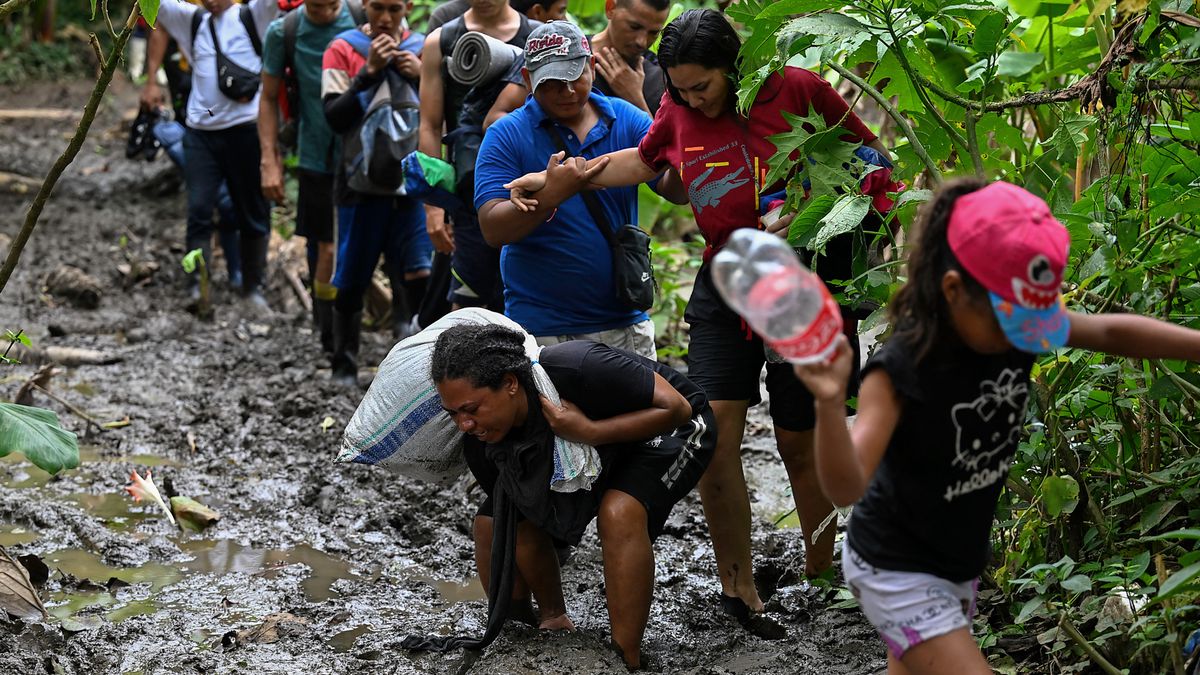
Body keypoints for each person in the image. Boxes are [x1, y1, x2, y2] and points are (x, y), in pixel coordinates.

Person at [504, 8, 890, 632]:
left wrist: (823, 211)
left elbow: (874, 164)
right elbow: (646, 159)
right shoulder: (679, 109)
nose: (689, 101)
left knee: (799, 437)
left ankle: (823, 571)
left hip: (803, 279)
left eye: (701, 88)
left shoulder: (794, 90)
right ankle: (739, 589)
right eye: (678, 91)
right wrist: (561, 183)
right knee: (713, 434)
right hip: (724, 279)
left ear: (733, 68)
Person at [790, 179, 1200, 673]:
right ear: (953, 290)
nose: (1030, 333)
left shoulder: (1018, 320)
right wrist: (830, 404)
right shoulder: (902, 369)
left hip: (955, 562)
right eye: (1017, 320)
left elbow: (1111, 330)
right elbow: (846, 484)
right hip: (895, 569)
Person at [431, 323, 716, 668]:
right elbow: (524, 520)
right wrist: (552, 611)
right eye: (454, 414)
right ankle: (526, 627)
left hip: (669, 428)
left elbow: (678, 408)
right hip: (595, 448)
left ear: (509, 384)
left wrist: (589, 431)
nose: (464, 424)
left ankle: (626, 657)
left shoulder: (576, 365)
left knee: (618, 511)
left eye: (472, 409)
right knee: (493, 522)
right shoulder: (483, 443)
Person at [475, 21, 679, 359]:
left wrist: (687, 150)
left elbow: (675, 191)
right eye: (552, 83)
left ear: (593, 67)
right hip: (540, 327)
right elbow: (493, 228)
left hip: (622, 322)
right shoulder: (506, 135)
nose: (567, 92)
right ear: (527, 80)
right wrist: (551, 195)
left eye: (575, 77)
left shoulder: (627, 120)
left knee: (636, 411)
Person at [321, 0, 433, 386]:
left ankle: (418, 369)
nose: (385, 18)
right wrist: (367, 74)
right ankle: (344, 364)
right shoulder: (343, 48)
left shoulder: (424, 48)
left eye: (394, 9)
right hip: (359, 185)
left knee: (418, 269)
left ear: (408, 8)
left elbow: (446, 112)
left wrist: (421, 75)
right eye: (378, 8)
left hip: (413, 183)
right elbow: (334, 117)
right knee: (352, 272)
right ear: (365, 6)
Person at [140, 0, 280, 308]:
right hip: (201, 134)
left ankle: (252, 287)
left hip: (247, 130)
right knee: (199, 210)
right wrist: (150, 79)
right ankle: (195, 285)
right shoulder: (192, 20)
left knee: (252, 210)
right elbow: (154, 7)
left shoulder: (253, 15)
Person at [418, 0, 541, 312]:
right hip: (468, 189)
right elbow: (430, 125)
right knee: (466, 298)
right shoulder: (441, 41)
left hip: (530, 189)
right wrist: (434, 208)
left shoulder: (537, 37)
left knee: (522, 297)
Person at [259, 0, 363, 354]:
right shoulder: (284, 32)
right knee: (325, 247)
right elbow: (268, 96)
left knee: (367, 242)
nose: (322, 8)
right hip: (316, 154)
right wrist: (269, 159)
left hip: (366, 155)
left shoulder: (364, 16)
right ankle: (328, 335)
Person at [483, 0, 669, 128]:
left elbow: (669, 154)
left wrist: (635, 99)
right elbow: (494, 119)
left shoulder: (661, 75)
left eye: (653, 33)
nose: (641, 41)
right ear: (610, 7)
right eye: (634, 27)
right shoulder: (557, 47)